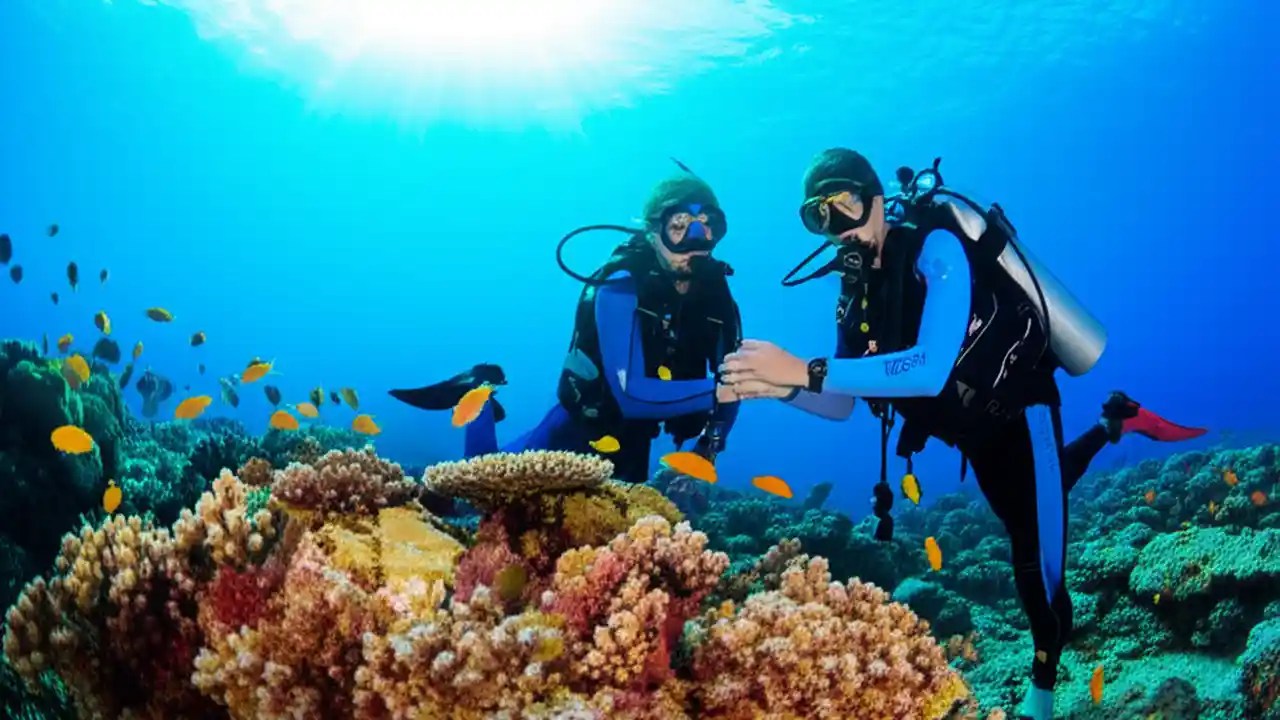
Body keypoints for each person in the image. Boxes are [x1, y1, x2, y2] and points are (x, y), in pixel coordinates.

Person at [717, 149, 1205, 720]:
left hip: (1022, 413)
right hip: (973, 437)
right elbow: (843, 406)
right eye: (817, 217)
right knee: (1036, 503)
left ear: (876, 200)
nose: (837, 228)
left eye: (845, 206)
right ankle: (1114, 421)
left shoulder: (936, 245)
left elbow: (929, 368)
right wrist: (780, 390)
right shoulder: (855, 296)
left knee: (1038, 571)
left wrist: (803, 368)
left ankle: (1042, 696)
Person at [390, 169, 743, 484]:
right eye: (678, 227)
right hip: (578, 428)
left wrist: (707, 449)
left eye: (708, 226)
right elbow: (632, 394)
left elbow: (734, 377)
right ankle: (477, 392)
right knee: (481, 483)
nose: (696, 241)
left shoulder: (717, 298)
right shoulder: (620, 284)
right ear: (652, 232)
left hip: (635, 437)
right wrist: (729, 388)